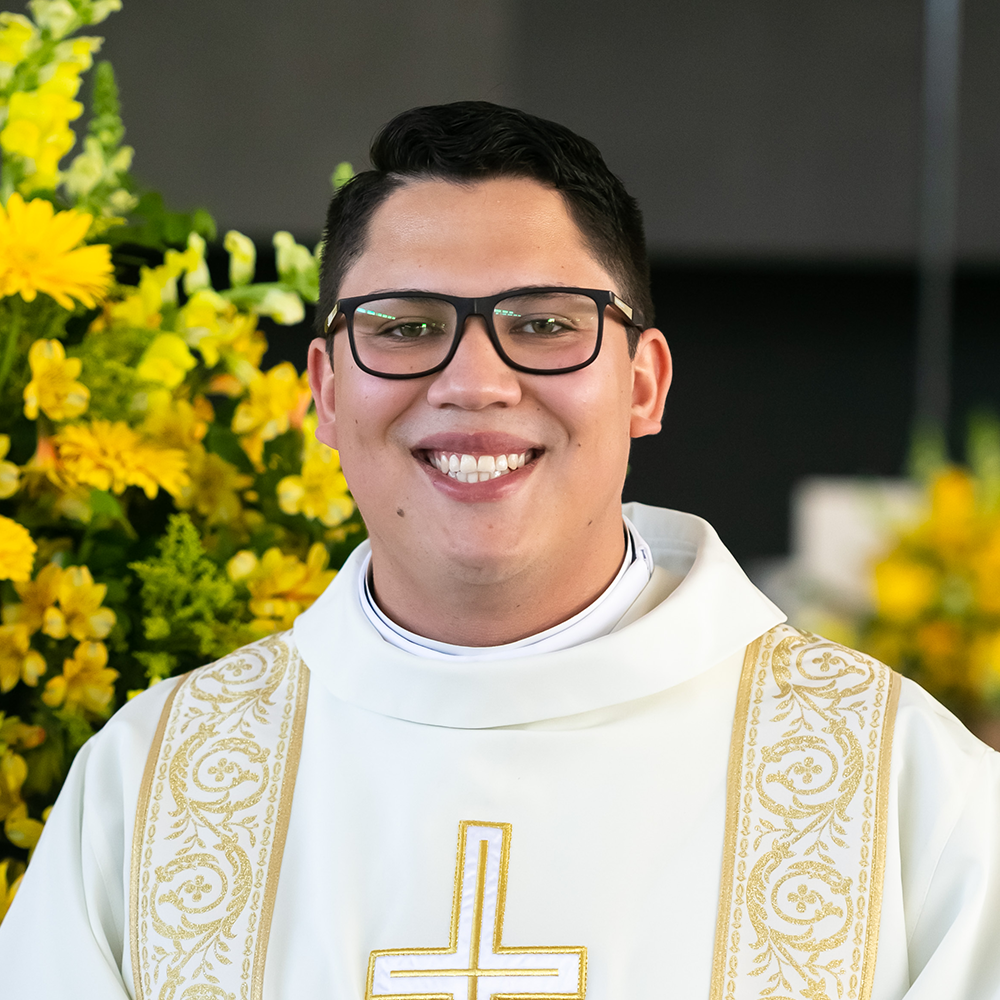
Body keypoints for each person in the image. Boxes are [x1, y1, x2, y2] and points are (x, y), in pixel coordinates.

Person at [2, 101, 999, 1000]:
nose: (474, 381)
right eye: (403, 327)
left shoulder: (901, 789)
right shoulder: (155, 784)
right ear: (326, 390)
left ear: (643, 384)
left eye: (542, 324)